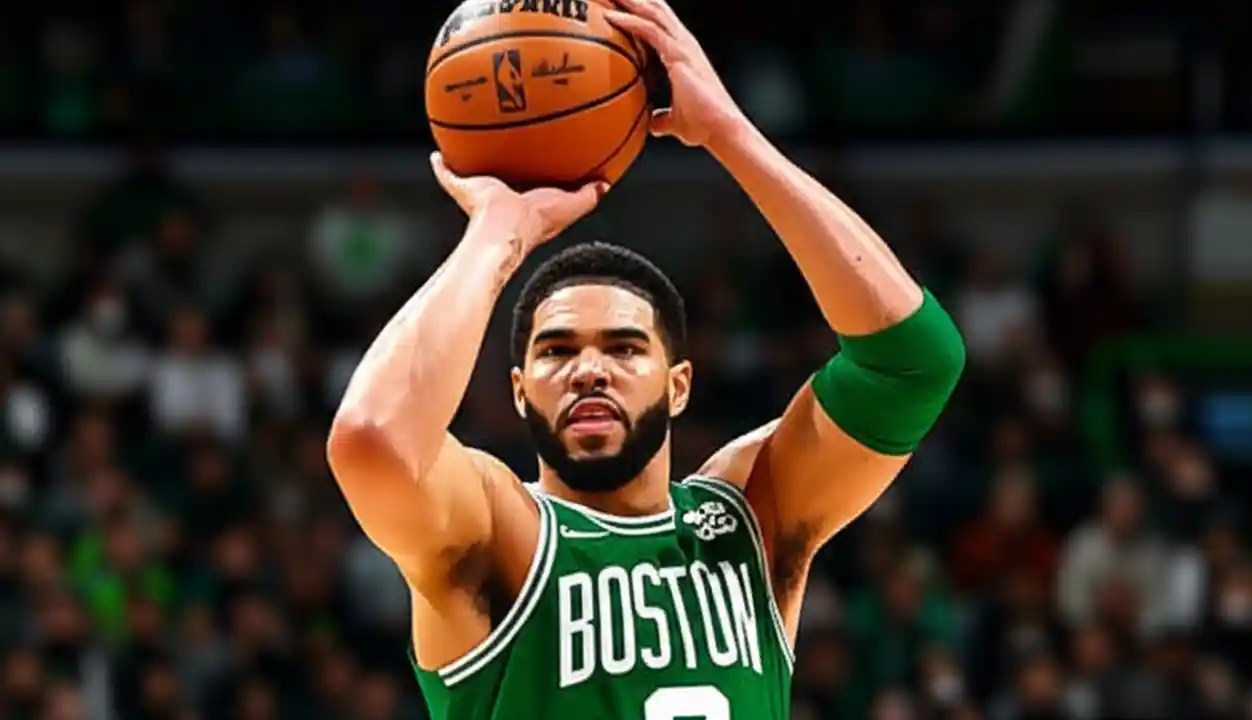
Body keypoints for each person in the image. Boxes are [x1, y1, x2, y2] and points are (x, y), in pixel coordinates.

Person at [326, 0, 967, 717]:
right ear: (517, 390)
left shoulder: (751, 517)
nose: (589, 368)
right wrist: (498, 234)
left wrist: (730, 133)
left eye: (626, 348)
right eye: (556, 350)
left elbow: (914, 360)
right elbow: (374, 439)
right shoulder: (499, 536)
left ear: (680, 383)